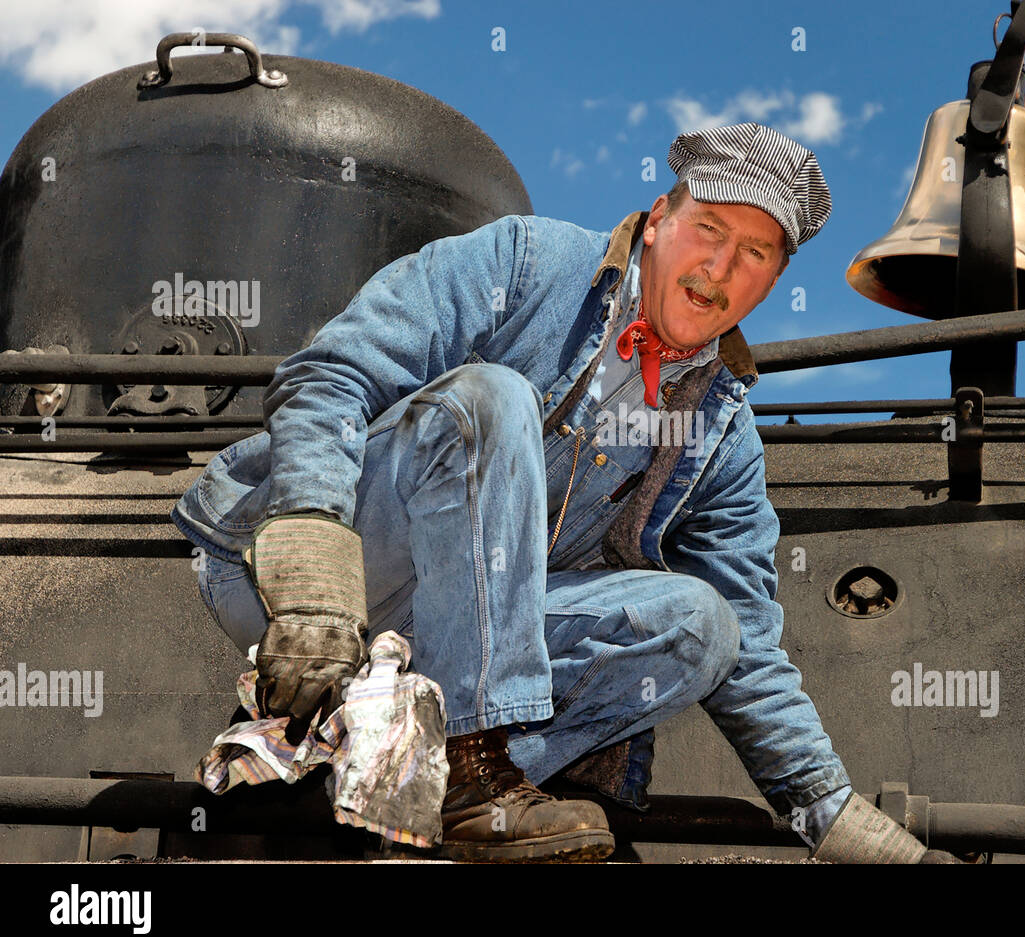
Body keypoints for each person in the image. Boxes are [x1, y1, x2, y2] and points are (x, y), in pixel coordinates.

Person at [172, 122, 945, 863]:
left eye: (754, 254)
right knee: (495, 399)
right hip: (300, 578)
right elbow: (332, 374)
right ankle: (471, 769)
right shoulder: (525, 260)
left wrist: (834, 816)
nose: (720, 268)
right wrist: (312, 573)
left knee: (705, 628)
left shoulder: (723, 433)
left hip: (455, 642)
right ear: (654, 223)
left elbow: (751, 644)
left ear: (773, 280)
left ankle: (417, 776)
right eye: (708, 228)